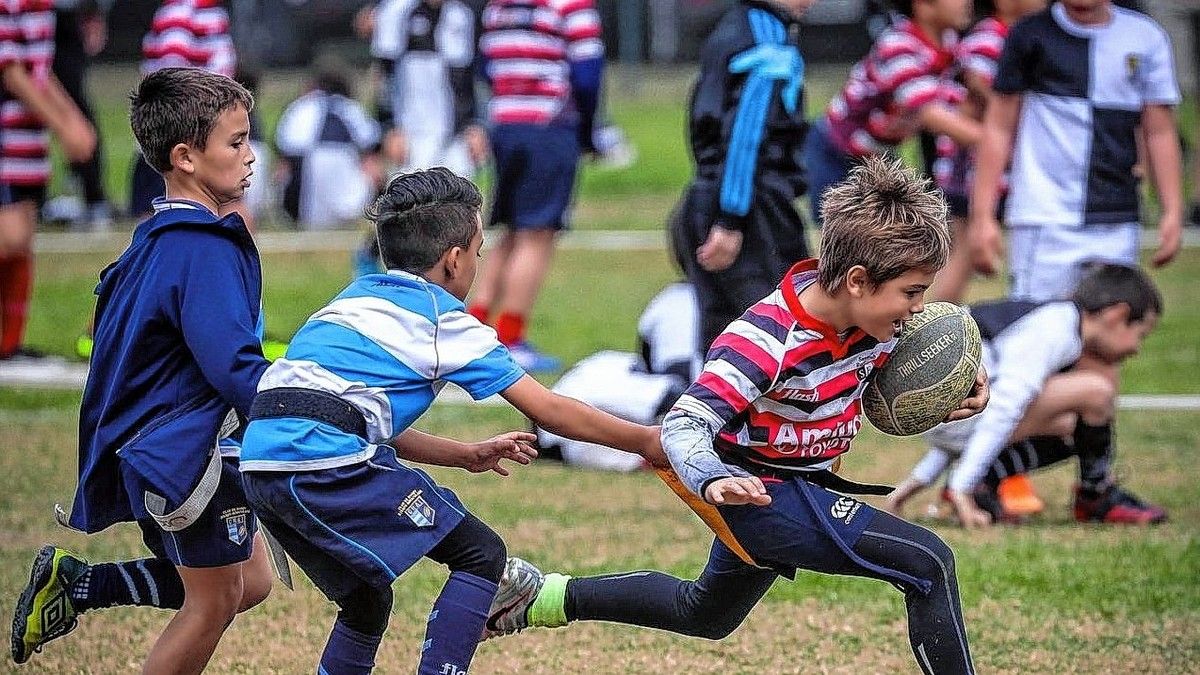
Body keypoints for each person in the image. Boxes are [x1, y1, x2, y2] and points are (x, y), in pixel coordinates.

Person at [486, 158, 989, 675]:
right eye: (912, 292)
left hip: (794, 485)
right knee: (927, 562)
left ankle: (538, 597)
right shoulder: (764, 341)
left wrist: (953, 391)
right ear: (858, 280)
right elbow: (685, 423)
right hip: (757, 492)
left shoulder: (873, 323)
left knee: (707, 613)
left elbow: (896, 384)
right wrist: (713, 477)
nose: (919, 308)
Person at [238, 167, 664, 675]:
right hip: (321, 459)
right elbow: (547, 409)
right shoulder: (444, 321)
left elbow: (350, 415)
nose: (477, 264)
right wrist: (644, 440)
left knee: (365, 600)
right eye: (480, 252)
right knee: (481, 555)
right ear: (455, 259)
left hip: (260, 462)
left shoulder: (348, 303)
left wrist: (462, 455)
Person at [10, 68, 271, 671]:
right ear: (185, 157)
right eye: (235, 142)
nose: (250, 155)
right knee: (214, 598)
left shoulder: (156, 237)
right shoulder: (202, 248)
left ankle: (80, 585)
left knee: (250, 579)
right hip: (181, 457)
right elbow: (233, 365)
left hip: (162, 450)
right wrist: (303, 406)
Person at [885, 264, 1168, 527]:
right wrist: (962, 487)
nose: (1136, 349)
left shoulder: (1054, 320)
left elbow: (952, 427)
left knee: (1070, 425)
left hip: (941, 415)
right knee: (1096, 393)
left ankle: (984, 480)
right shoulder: (1055, 328)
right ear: (1117, 315)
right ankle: (1096, 496)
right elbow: (1003, 406)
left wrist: (908, 488)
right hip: (957, 414)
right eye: (1140, 334)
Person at [968, 0, 1182, 300]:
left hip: (1115, 215)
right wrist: (982, 216)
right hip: (1043, 215)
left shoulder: (1146, 38)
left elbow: (1159, 131)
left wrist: (1172, 210)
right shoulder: (1030, 35)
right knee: (1038, 321)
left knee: (1112, 320)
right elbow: (998, 127)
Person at [669, 0, 814, 359]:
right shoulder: (765, 42)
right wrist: (730, 219)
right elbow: (745, 135)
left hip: (714, 195)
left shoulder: (738, 27)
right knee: (784, 330)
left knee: (722, 336)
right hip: (751, 209)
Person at [467, 0, 605, 372]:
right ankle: (510, 338)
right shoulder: (571, 5)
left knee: (512, 232)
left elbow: (485, 66)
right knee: (537, 236)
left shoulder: (499, 6)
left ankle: (472, 329)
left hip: (505, 125)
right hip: (550, 125)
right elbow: (587, 75)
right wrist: (589, 133)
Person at [804, 0, 979, 226]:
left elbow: (960, 101)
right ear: (922, 5)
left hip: (877, 154)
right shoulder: (898, 45)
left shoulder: (949, 42)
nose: (966, 2)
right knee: (841, 237)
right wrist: (998, 142)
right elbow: (933, 116)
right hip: (836, 151)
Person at [926, 0, 1047, 303]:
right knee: (962, 253)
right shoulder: (989, 37)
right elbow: (974, 83)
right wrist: (1006, 107)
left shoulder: (1019, 35)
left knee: (965, 253)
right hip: (968, 169)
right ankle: (933, 319)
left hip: (987, 165)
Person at [0, 0, 95, 362]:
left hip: (27, 137)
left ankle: (9, 345)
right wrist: (62, 126)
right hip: (7, 136)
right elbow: (12, 74)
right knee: (9, 237)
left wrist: (73, 119)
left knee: (22, 236)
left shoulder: (40, 7)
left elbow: (38, 71)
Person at [130, 0, 237, 218]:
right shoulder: (180, 13)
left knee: (223, 211)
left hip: (206, 133)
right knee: (161, 217)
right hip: (180, 138)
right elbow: (169, 81)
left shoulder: (211, 10)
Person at [275, 61, 383, 230]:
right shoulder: (350, 108)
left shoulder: (299, 107)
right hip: (349, 202)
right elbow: (370, 143)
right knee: (373, 167)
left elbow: (284, 153)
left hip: (301, 202)